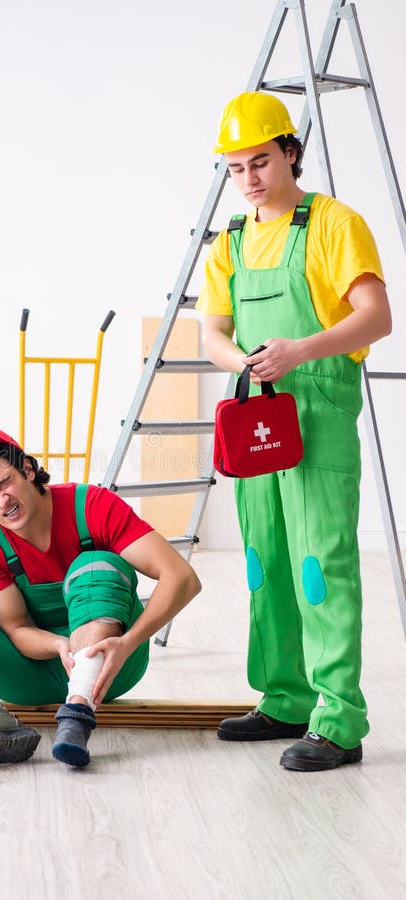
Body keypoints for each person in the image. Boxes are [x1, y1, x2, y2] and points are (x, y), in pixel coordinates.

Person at [196, 91, 392, 772]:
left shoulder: (334, 223)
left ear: (290, 152)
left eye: (260, 161)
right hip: (256, 413)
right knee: (266, 563)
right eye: (235, 167)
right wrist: (242, 363)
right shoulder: (233, 241)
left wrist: (300, 350)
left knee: (320, 567)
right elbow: (213, 329)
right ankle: (285, 698)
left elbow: (376, 317)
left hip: (318, 413)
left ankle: (338, 719)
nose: (250, 177)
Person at [0, 427, 201, 770]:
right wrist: (59, 646)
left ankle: (77, 715)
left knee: (95, 563)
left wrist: (127, 643)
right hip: (33, 672)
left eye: (5, 482)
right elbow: (17, 629)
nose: (0, 500)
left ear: (27, 469)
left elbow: (182, 577)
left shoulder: (92, 506)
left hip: (113, 665)